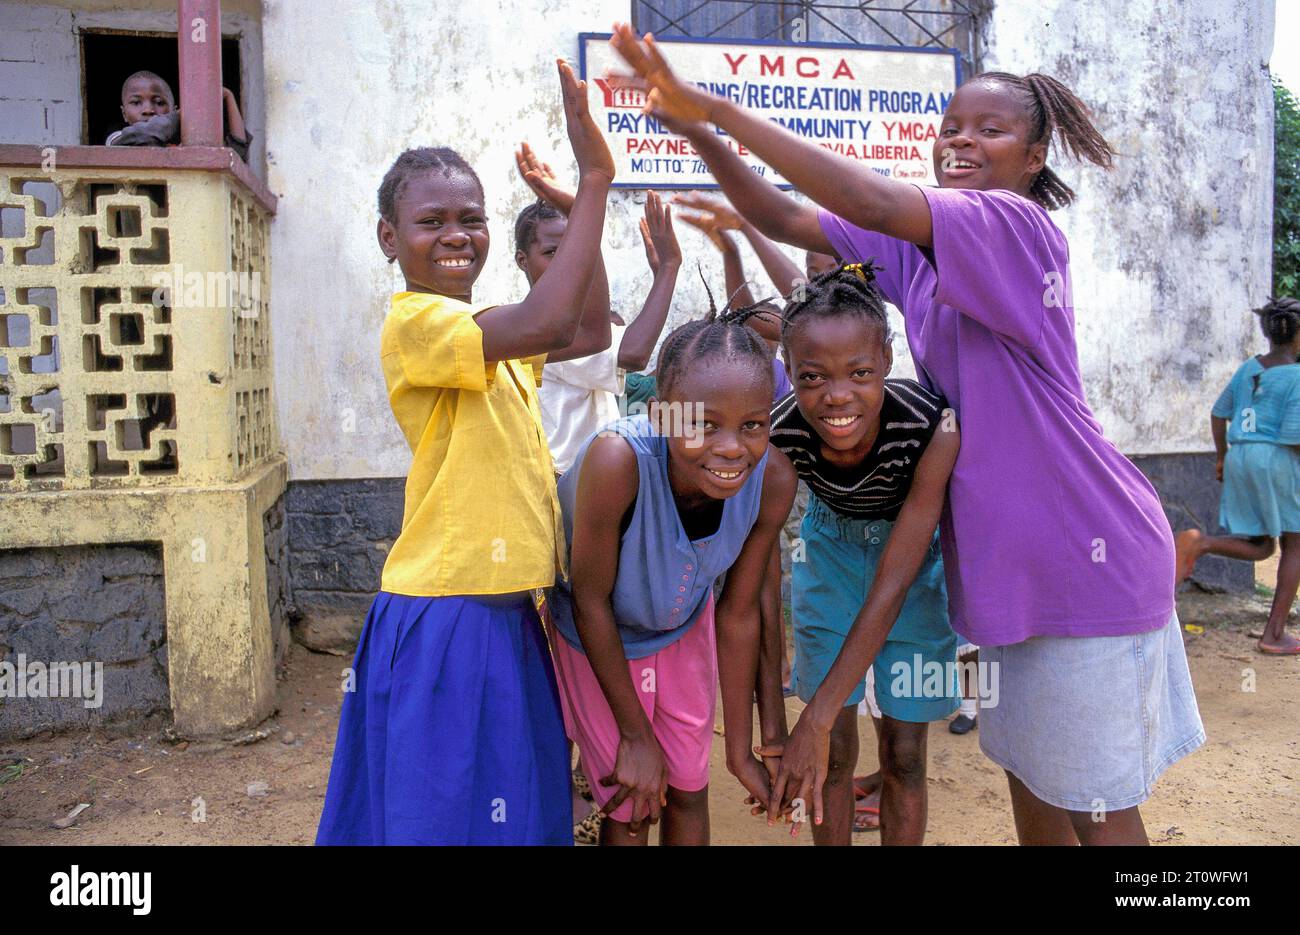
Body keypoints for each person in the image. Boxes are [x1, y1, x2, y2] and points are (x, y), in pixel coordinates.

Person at [610, 24, 1203, 844]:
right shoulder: (918, 252)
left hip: (1082, 551)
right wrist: (696, 133)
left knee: (1097, 813)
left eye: (989, 129)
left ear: (1033, 158)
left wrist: (719, 108)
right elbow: (783, 212)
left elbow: (871, 198)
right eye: (951, 125)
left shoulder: (1012, 225)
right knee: (1034, 788)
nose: (961, 139)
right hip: (1010, 572)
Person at [315, 61, 615, 845]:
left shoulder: (491, 334)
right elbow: (553, 323)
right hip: (446, 615)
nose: (457, 234)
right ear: (391, 238)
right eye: (432, 221)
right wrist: (591, 184)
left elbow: (588, 329)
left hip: (511, 610)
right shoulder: (419, 323)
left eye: (472, 218)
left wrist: (571, 204)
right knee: (441, 816)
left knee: (514, 806)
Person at [546, 305, 797, 845]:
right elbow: (591, 603)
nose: (732, 448)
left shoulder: (772, 479)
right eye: (704, 425)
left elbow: (737, 613)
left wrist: (738, 750)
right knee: (631, 802)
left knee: (689, 788)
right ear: (661, 415)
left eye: (752, 425)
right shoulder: (618, 463)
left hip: (684, 634)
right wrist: (636, 736)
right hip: (600, 643)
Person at [756, 264, 960, 845]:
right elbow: (761, 568)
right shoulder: (782, 433)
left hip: (912, 568)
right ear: (788, 371)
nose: (837, 395)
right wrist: (785, 717)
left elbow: (896, 581)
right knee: (835, 758)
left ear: (888, 362)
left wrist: (812, 714)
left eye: (860, 373)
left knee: (904, 756)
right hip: (828, 557)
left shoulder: (930, 426)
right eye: (812, 376)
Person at [512, 147, 680, 472]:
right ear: (523, 260)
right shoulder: (537, 329)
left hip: (588, 473)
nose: (567, 262)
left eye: (574, 250)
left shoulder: (568, 322)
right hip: (566, 478)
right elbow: (632, 353)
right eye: (552, 252)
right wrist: (668, 269)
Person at [1176, 297, 1300, 655]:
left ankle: (1200, 543)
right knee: (1295, 544)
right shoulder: (1295, 376)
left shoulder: (1249, 368)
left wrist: (1221, 458)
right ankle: (1274, 634)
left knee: (1263, 545)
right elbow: (1294, 436)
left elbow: (1219, 412)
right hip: (1275, 459)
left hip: (1240, 456)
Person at [106, 70, 251, 161]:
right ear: (124, 114)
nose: (148, 109)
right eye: (136, 102)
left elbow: (237, 151)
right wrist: (186, 113)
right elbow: (152, 131)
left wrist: (228, 96)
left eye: (159, 102)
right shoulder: (117, 139)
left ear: (172, 109)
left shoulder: (182, 145)